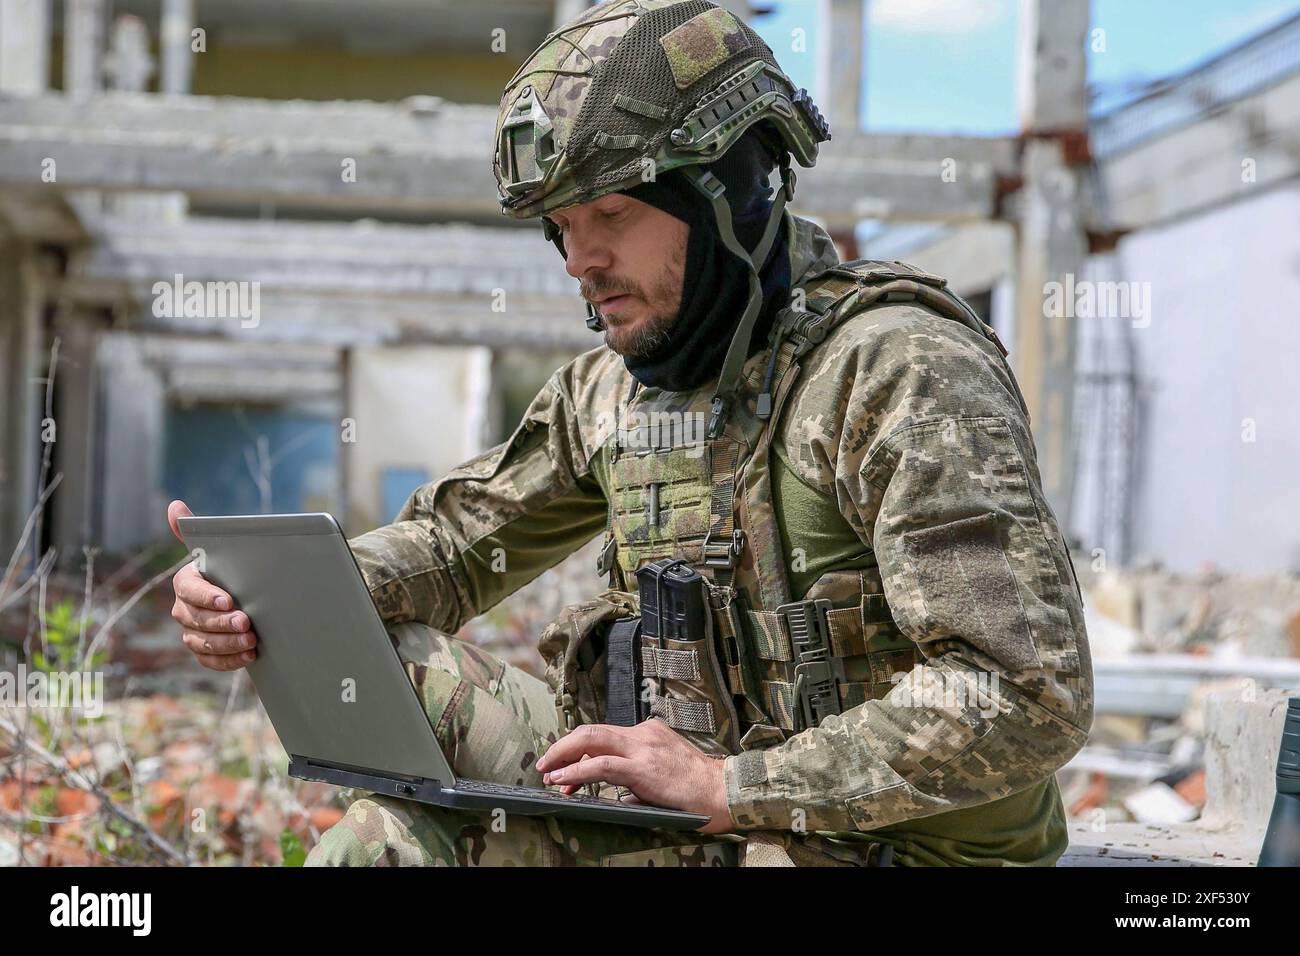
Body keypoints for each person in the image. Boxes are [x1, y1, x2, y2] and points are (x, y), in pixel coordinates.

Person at [169, 0, 1092, 867]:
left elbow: (1027, 695)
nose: (580, 261)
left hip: (882, 846)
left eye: (611, 213)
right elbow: (453, 546)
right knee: (388, 811)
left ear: (724, 196)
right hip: (696, 813)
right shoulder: (611, 390)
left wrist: (733, 784)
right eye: (562, 228)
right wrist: (265, 596)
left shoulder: (894, 370)